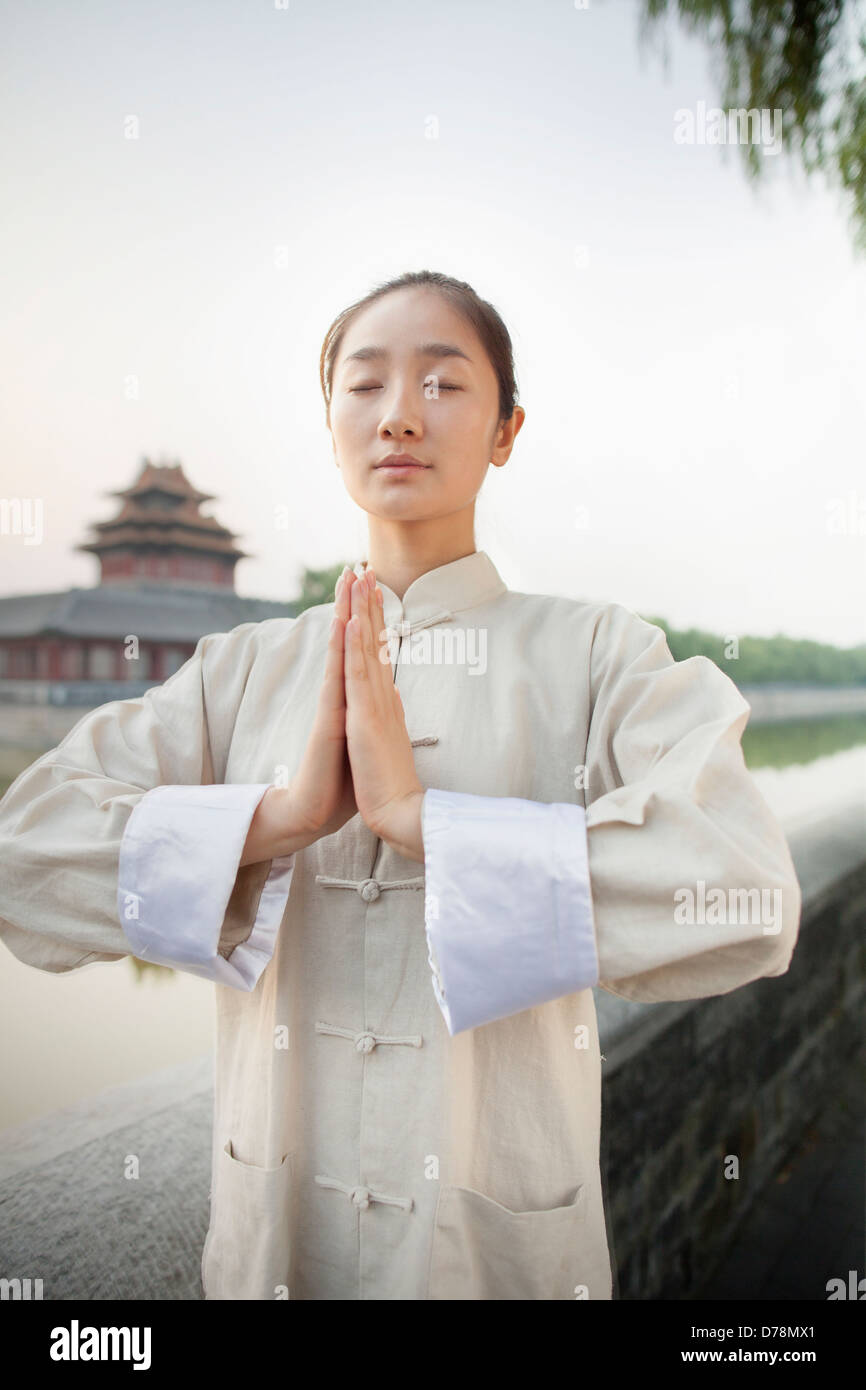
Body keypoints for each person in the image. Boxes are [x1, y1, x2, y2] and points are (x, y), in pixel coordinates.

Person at [0, 269, 801, 1300]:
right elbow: (24, 857)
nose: (397, 417)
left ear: (506, 429)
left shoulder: (598, 654)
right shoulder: (240, 669)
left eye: (442, 384)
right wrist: (269, 822)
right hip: (273, 1241)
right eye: (364, 384)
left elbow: (743, 890)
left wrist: (433, 826)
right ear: (329, 424)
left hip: (490, 1254)